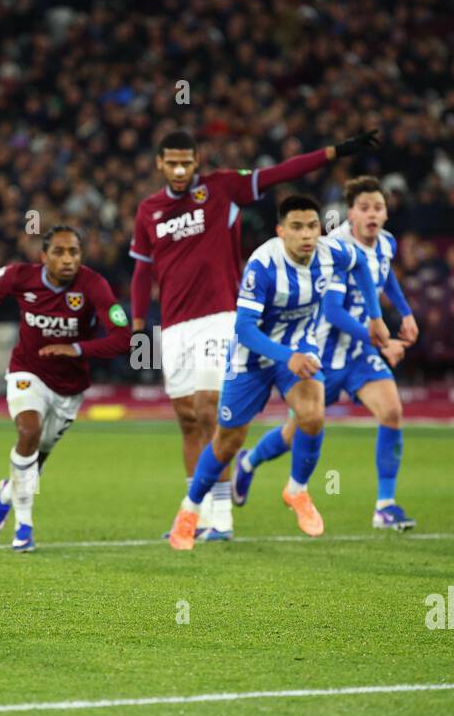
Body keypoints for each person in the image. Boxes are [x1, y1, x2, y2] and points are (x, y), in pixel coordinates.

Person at [130, 128, 380, 542]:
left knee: (209, 409)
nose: (178, 170)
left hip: (220, 316)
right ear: (159, 163)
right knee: (189, 423)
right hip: (173, 327)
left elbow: (282, 172)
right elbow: (142, 270)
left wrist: (336, 150)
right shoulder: (148, 211)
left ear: (197, 161)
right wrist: (139, 328)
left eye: (186, 162)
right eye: (170, 162)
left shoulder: (222, 189)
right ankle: (202, 512)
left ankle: (224, 518)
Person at [165, 194, 388, 550]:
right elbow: (245, 330)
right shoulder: (263, 265)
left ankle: (297, 490)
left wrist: (375, 316)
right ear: (281, 231)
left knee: (313, 416)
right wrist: (287, 357)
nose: (306, 235)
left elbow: (360, 262)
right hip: (253, 358)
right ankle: (189, 510)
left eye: (312, 226)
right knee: (227, 442)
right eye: (297, 227)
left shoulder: (331, 253)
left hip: (299, 351)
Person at [234, 176, 420, 530]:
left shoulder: (387, 244)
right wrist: (381, 340)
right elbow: (333, 311)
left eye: (378, 207)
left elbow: (386, 277)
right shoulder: (332, 249)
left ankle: (385, 505)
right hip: (324, 352)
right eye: (364, 208)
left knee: (392, 411)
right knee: (299, 428)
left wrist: (405, 311)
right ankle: (248, 463)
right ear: (349, 213)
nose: (372, 215)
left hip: (360, 354)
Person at [0, 225, 132, 551]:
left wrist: (75, 350)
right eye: (59, 252)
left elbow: (123, 337)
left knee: (35, 460)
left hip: (69, 387)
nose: (67, 259)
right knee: (28, 432)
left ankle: (7, 493)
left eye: (74, 252)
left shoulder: (93, 285)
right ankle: (24, 527)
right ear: (44, 257)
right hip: (27, 371)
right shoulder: (22, 276)